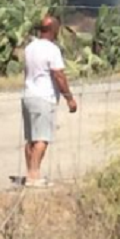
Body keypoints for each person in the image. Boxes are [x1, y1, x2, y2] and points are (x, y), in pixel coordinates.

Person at [21, 15, 77, 188]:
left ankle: (31, 172)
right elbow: (59, 75)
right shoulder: (52, 50)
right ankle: (34, 176)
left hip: (28, 95)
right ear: (54, 29)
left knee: (31, 138)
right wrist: (69, 98)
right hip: (44, 97)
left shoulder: (30, 47)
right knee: (42, 139)